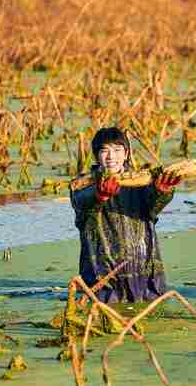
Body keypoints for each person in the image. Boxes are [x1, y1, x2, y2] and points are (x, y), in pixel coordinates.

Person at [70, 127, 180, 303]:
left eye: (117, 150)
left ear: (126, 153)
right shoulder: (82, 185)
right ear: (96, 156)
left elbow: (153, 207)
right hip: (103, 275)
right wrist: (100, 195)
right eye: (104, 151)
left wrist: (163, 191)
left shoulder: (141, 181)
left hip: (145, 272)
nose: (111, 157)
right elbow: (82, 203)